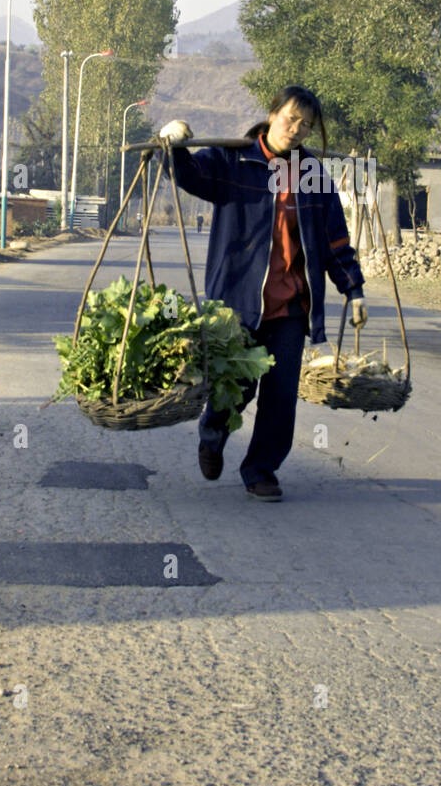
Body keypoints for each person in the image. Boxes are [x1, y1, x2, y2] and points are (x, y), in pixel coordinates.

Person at [157, 86, 367, 502]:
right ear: (273, 114)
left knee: (281, 394)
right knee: (235, 385)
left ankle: (260, 469)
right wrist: (175, 147)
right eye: (291, 117)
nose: (297, 128)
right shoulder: (236, 161)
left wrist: (354, 289)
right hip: (237, 301)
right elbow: (190, 176)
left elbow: (334, 239)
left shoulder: (311, 176)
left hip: (289, 305)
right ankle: (212, 435)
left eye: (306, 123)